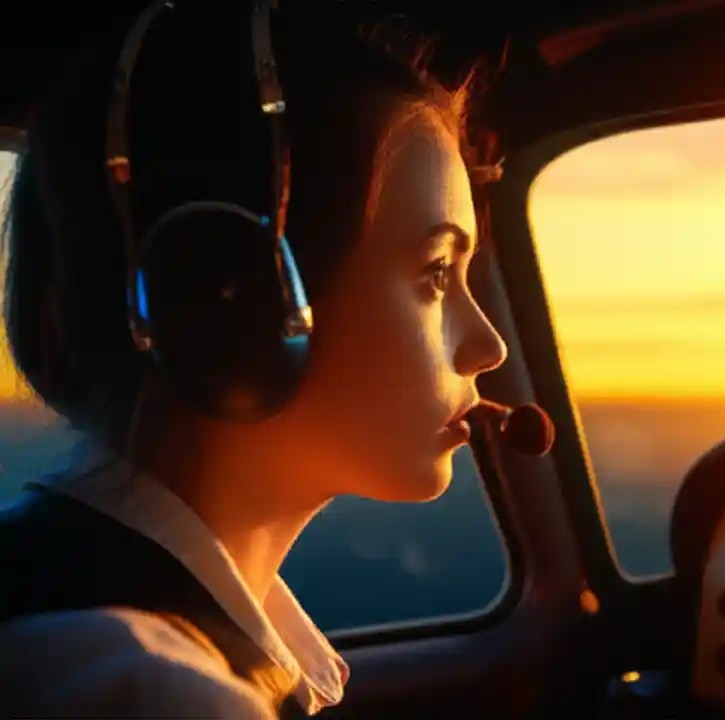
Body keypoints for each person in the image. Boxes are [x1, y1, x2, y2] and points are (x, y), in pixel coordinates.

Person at [0, 2, 507, 717]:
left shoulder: (75, 597)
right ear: (237, 299)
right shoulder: (151, 691)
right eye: (435, 275)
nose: (489, 344)